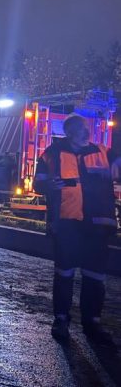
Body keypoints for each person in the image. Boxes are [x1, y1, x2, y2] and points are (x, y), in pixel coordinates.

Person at [34, 114, 120, 345]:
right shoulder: (52, 154)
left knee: (95, 277)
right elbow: (38, 183)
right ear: (70, 132)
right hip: (67, 223)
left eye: (86, 127)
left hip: (98, 224)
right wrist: (48, 184)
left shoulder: (103, 151)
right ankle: (61, 320)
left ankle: (92, 323)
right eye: (81, 128)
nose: (86, 131)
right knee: (65, 273)